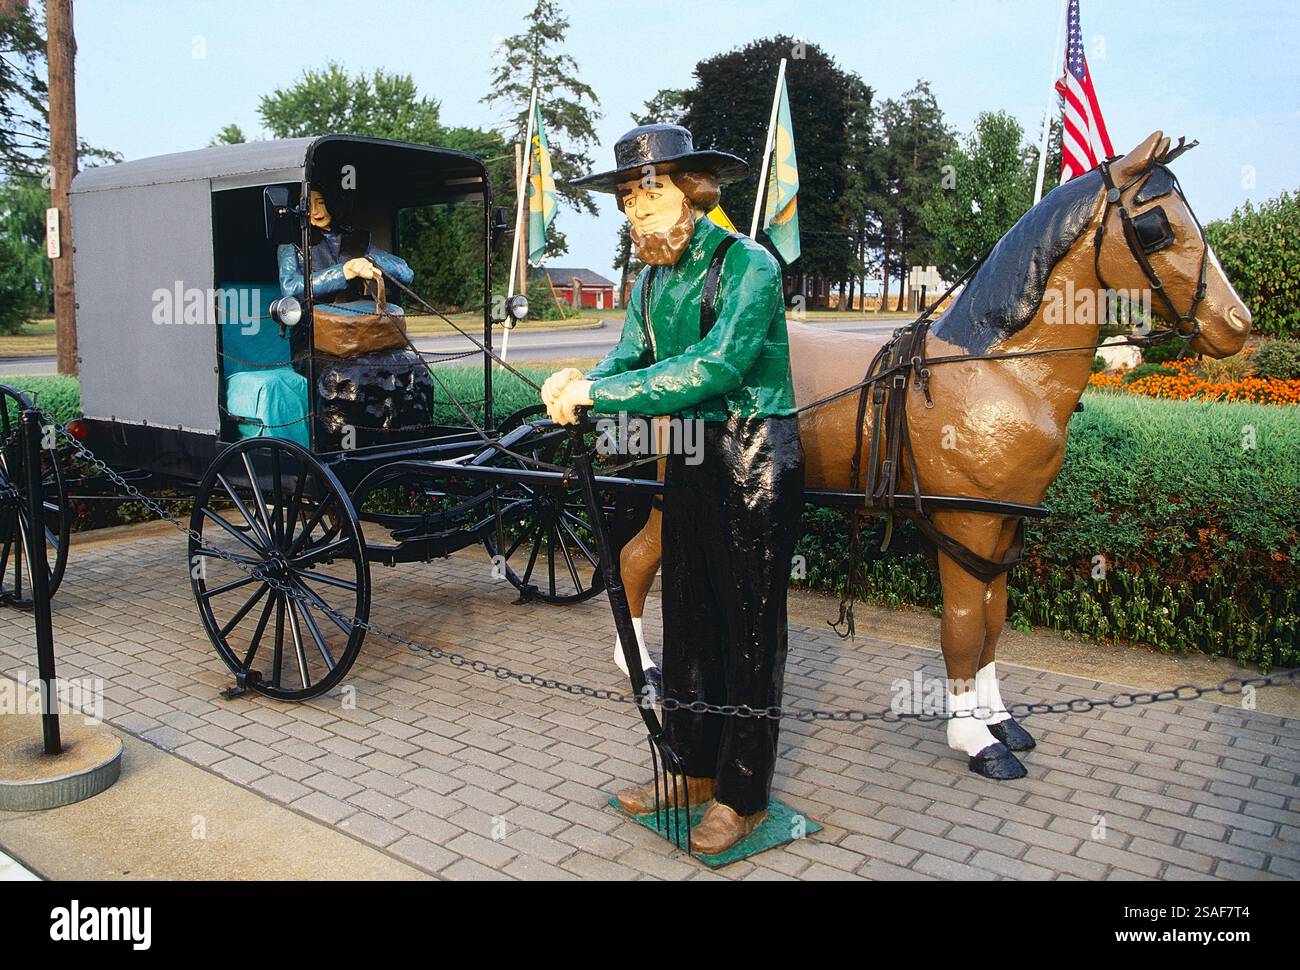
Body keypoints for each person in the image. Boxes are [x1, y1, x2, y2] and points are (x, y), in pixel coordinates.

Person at [542, 125, 805, 855]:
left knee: (750, 631)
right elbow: (631, 354)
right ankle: (690, 768)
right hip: (688, 454)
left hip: (753, 454)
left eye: (650, 192)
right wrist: (580, 380)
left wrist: (604, 394)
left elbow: (715, 366)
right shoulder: (653, 278)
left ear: (696, 191)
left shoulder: (749, 264)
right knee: (688, 620)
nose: (637, 210)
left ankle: (742, 794)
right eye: (628, 198)